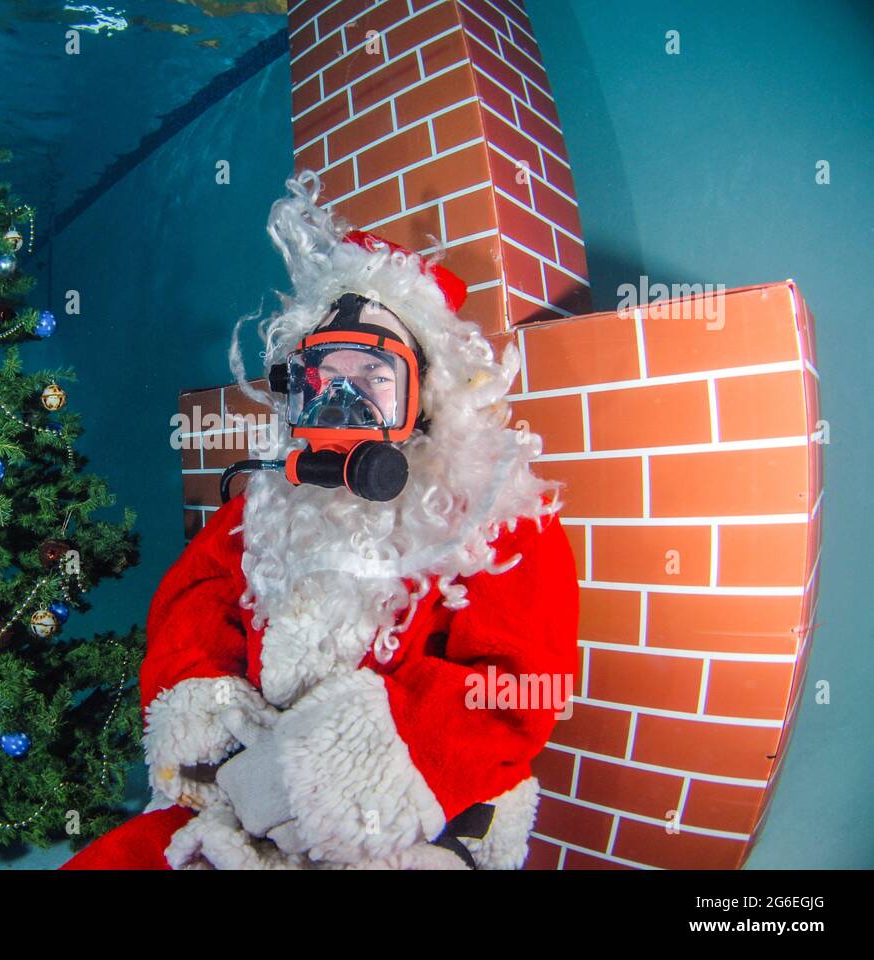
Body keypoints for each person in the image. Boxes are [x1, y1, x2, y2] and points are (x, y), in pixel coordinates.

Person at [63, 173, 579, 869]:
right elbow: (192, 610)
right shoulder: (264, 506)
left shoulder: (495, 517)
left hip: (411, 823)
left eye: (370, 376)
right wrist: (222, 740)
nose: (342, 398)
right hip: (242, 805)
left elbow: (513, 685)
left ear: (424, 394)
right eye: (323, 376)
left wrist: (327, 774)